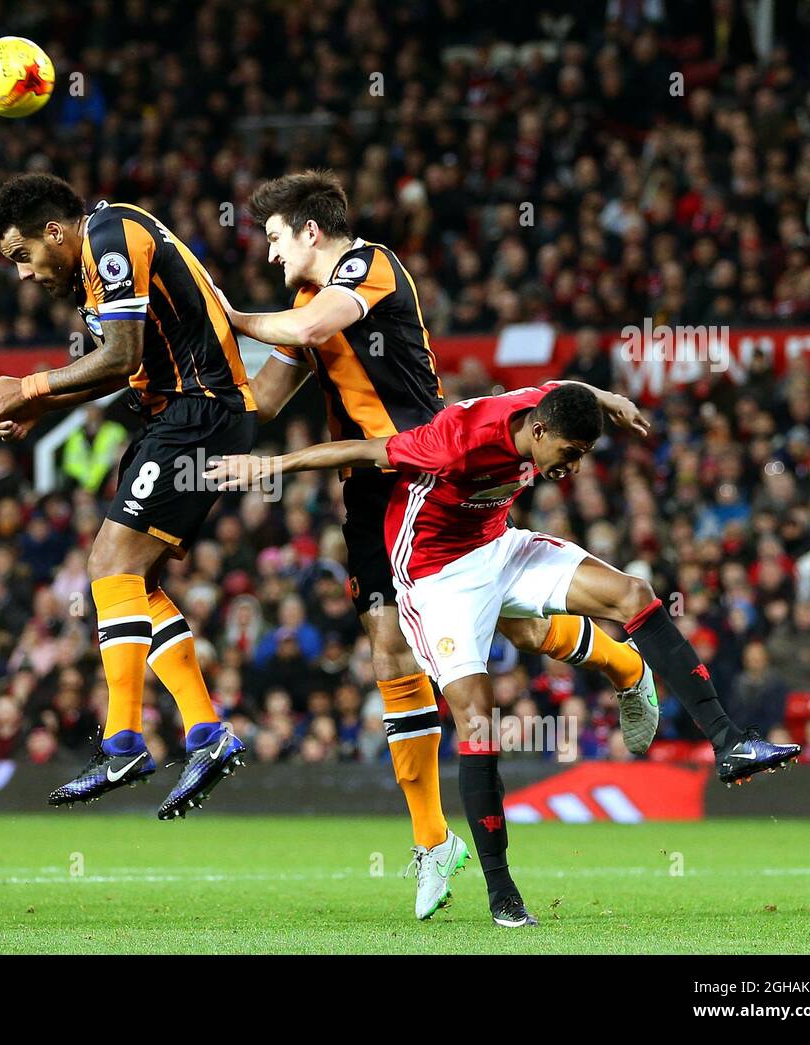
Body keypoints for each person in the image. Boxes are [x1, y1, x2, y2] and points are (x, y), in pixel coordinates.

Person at [215, 170, 657, 921]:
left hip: (434, 465)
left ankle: (622, 659)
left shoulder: (367, 267)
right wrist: (175, 371)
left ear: (309, 231)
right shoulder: (298, 307)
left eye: (275, 236)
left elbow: (314, 328)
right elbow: (261, 397)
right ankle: (431, 840)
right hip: (367, 478)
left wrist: (219, 311)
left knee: (506, 623)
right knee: (391, 650)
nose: (268, 251)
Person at [206, 380, 801, 928]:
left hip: (500, 548)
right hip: (434, 575)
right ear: (537, 434)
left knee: (633, 595)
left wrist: (610, 399)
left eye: (583, 454)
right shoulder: (455, 443)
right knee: (478, 716)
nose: (572, 466)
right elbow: (364, 452)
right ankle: (501, 892)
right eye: (568, 452)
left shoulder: (542, 411)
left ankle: (728, 742)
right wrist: (272, 465)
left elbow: (565, 392)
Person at [0, 173, 255, 819]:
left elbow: (121, 352)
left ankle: (124, 740)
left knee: (107, 564)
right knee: (133, 582)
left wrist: (34, 386)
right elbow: (131, 361)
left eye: (22, 256)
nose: (22, 274)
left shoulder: (109, 233)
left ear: (54, 231)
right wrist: (48, 408)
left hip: (199, 410)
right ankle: (206, 733)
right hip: (180, 415)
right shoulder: (92, 269)